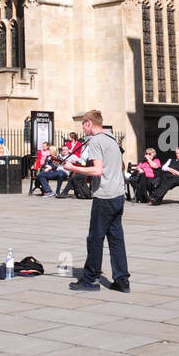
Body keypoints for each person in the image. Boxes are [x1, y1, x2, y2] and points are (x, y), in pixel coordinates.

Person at [68, 110, 129, 293]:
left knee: (95, 238)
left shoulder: (96, 141)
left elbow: (97, 170)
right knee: (116, 239)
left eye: (83, 125)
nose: (83, 130)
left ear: (88, 123)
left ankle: (89, 279)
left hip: (104, 196)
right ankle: (122, 280)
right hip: (118, 195)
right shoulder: (112, 140)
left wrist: (73, 168)